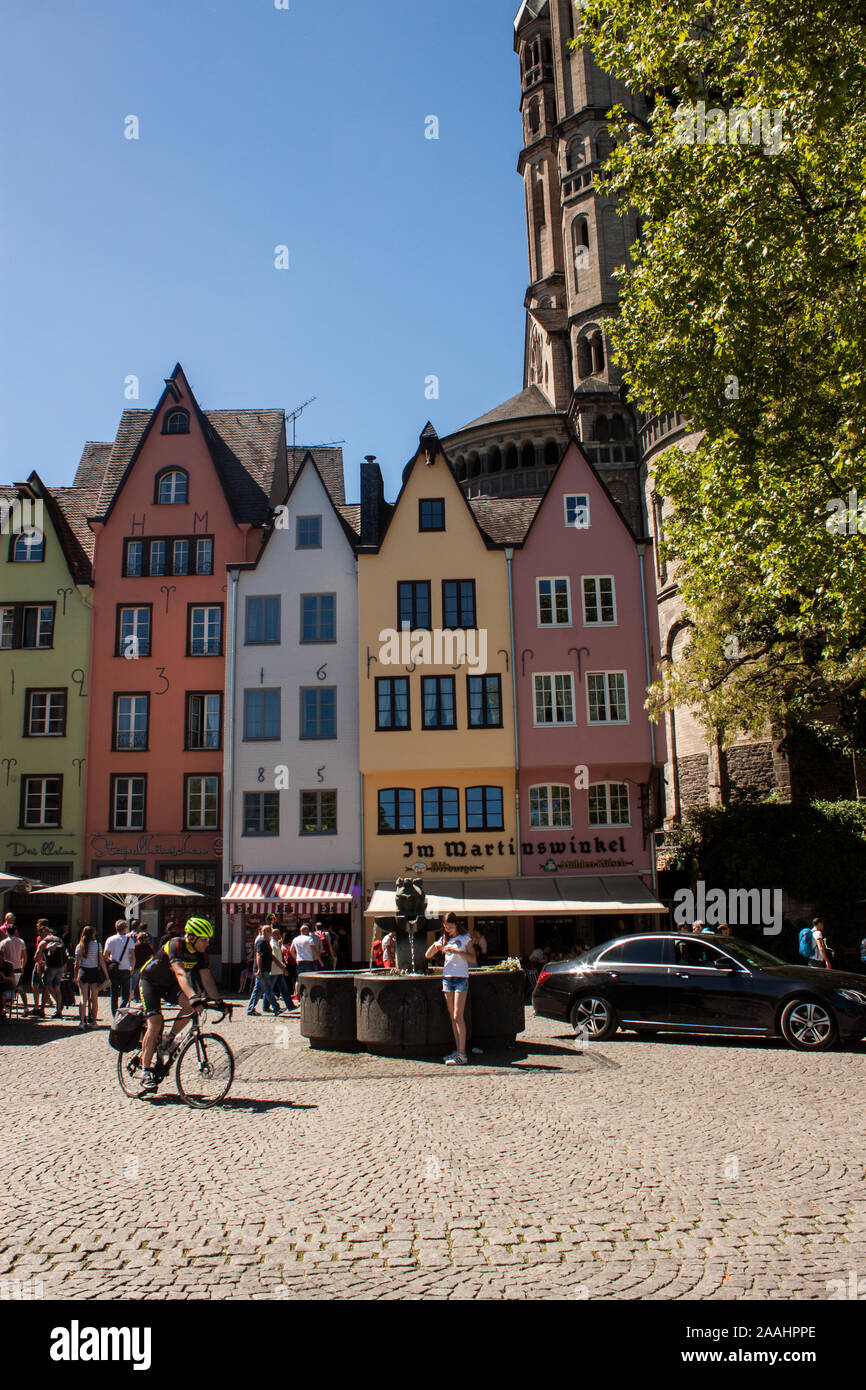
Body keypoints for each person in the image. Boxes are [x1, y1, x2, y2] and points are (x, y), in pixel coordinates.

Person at [137, 916, 223, 1093]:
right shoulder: (176, 945)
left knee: (190, 1008)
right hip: (150, 982)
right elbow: (180, 973)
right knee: (155, 1023)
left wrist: (220, 1002)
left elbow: (206, 978)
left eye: (209, 940)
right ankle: (145, 1072)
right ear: (191, 938)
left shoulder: (201, 954)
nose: (207, 943)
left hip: (169, 985)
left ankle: (169, 1039)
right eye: (204, 940)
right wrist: (193, 996)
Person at [425, 911, 476, 1065]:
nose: (449, 930)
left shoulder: (465, 938)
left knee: (457, 1015)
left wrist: (457, 952)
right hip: (448, 979)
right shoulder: (444, 938)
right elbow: (427, 955)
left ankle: (462, 1054)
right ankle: (458, 1050)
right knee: (452, 1016)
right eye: (446, 927)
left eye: (451, 927)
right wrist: (436, 946)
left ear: (456, 924)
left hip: (461, 978)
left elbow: (473, 958)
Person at [73, 925, 110, 1030]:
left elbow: (77, 963)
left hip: (83, 971)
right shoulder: (97, 945)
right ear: (93, 934)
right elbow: (101, 961)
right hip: (94, 972)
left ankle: (82, 1022)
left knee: (83, 998)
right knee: (94, 998)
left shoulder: (80, 946)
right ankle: (94, 1022)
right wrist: (106, 975)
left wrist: (75, 976)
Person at [33, 919, 68, 1019]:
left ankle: (42, 1010)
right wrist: (64, 969)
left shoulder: (45, 941)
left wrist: (41, 962)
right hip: (60, 967)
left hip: (50, 967)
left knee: (46, 987)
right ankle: (58, 1011)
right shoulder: (59, 940)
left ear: (43, 932)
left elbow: (36, 957)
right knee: (57, 988)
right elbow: (65, 956)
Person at [103, 918, 136, 1017]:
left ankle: (114, 1014)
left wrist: (112, 961)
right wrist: (132, 967)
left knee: (114, 994)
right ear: (125, 928)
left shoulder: (110, 939)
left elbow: (105, 955)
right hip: (126, 969)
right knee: (125, 995)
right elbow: (132, 956)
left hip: (114, 969)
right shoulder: (129, 940)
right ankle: (121, 1012)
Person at [247, 924, 281, 1016]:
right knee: (268, 989)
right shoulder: (262, 942)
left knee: (257, 990)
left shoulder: (265, 941)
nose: (271, 933)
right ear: (267, 932)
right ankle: (276, 1008)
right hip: (262, 970)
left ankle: (250, 1009)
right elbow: (259, 955)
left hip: (263, 969)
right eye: (270, 931)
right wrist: (259, 969)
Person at [0, 917, 26, 1017]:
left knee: (10, 987)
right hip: (18, 968)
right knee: (19, 988)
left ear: (6, 931)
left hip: (6, 968)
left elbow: (1, 955)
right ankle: (25, 1007)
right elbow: (24, 956)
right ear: (15, 931)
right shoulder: (21, 941)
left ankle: (5, 1007)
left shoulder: (3, 943)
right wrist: (22, 966)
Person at [290, 922, 323, 996]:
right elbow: (314, 950)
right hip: (308, 960)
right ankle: (310, 994)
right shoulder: (309, 938)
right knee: (309, 978)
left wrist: (296, 957)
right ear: (307, 931)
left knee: (298, 979)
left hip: (299, 960)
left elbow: (291, 950)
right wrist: (320, 960)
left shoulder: (295, 939)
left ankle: (297, 996)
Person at [268, 929, 295, 1011]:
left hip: (278, 970)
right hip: (275, 970)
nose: (279, 935)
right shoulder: (273, 944)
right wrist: (283, 968)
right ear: (273, 935)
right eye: (277, 933)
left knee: (283, 989)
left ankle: (290, 1006)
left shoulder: (276, 943)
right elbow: (274, 958)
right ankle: (266, 1006)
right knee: (269, 989)